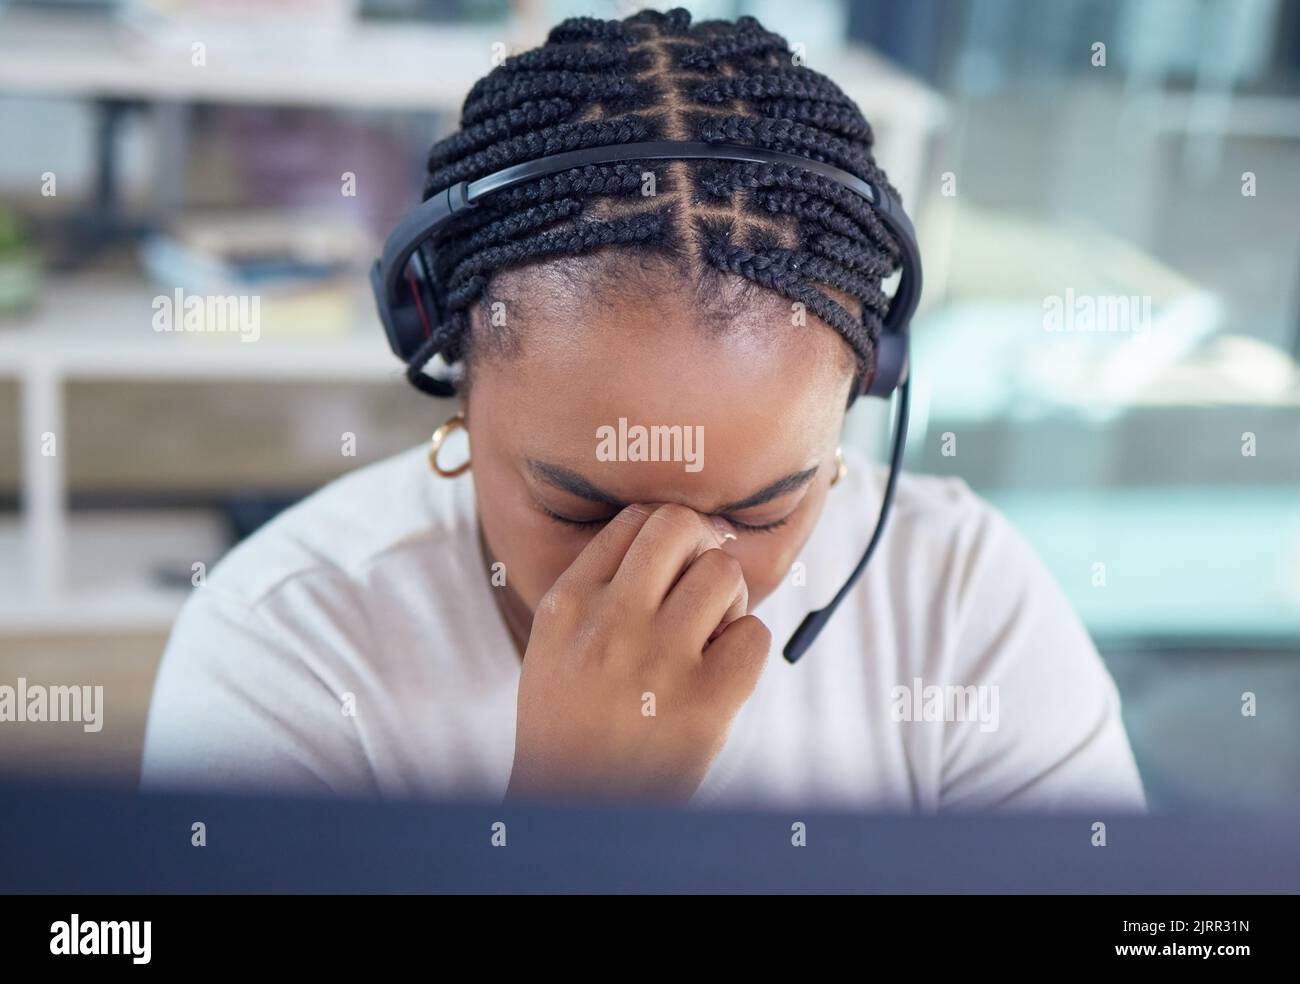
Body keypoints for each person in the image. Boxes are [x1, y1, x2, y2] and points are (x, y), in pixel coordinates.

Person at [142, 7, 1145, 812]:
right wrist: (566, 819)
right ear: (455, 384)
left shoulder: (964, 604)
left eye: (763, 510)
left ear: (862, 393)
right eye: (580, 508)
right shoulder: (283, 646)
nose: (678, 572)